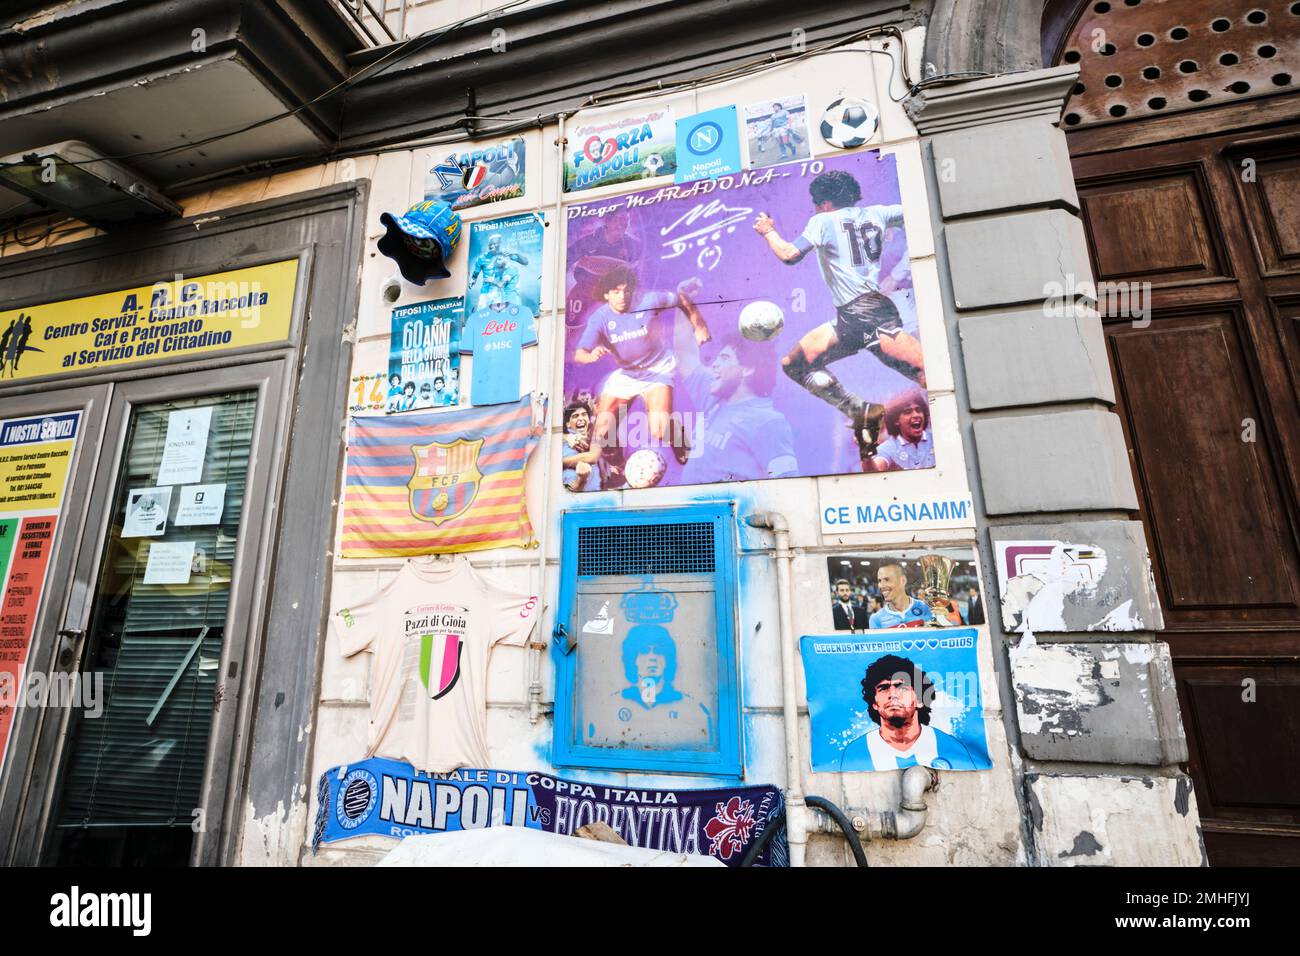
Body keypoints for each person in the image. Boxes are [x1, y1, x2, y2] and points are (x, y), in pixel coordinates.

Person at [753, 169, 924, 463]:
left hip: (867, 316)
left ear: (825, 203)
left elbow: (790, 255)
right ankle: (862, 411)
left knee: (927, 373)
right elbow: (919, 210)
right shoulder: (879, 213)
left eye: (816, 204)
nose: (816, 209)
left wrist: (768, 230)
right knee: (794, 364)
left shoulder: (823, 220)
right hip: (853, 317)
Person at [573, 266, 711, 479]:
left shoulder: (648, 301)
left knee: (659, 429)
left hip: (657, 369)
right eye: (616, 292)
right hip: (627, 375)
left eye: (626, 290)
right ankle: (618, 463)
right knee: (602, 431)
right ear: (606, 294)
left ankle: (679, 440)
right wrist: (591, 356)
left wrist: (699, 325)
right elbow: (580, 353)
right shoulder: (599, 319)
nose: (622, 296)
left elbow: (681, 299)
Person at [675, 316, 798, 484]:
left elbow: (787, 483)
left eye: (724, 358)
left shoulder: (767, 421)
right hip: (692, 508)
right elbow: (684, 354)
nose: (714, 364)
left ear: (747, 369)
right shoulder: (713, 395)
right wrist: (683, 301)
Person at [838, 654, 982, 771]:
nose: (893, 694)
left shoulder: (950, 746)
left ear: (920, 699)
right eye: (883, 688)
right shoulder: (856, 752)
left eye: (901, 687)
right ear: (874, 703)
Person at [589, 623, 713, 746]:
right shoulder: (610, 706)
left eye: (659, 651)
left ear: (668, 659)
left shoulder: (692, 710)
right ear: (632, 659)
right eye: (643, 650)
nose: (652, 657)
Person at [867, 389, 935, 472]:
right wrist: (865, 452)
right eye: (908, 412)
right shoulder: (887, 448)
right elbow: (876, 469)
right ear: (896, 420)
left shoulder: (936, 438)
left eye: (918, 410)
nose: (916, 415)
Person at [869, 562, 932, 629]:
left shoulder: (926, 608)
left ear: (903, 580)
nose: (881, 585)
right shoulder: (876, 619)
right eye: (879, 581)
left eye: (887, 579)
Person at [561, 400, 601, 492]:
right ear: (568, 424)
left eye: (584, 414)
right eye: (575, 416)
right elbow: (570, 489)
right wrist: (581, 480)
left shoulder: (591, 437)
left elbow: (593, 456)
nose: (581, 418)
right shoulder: (566, 444)